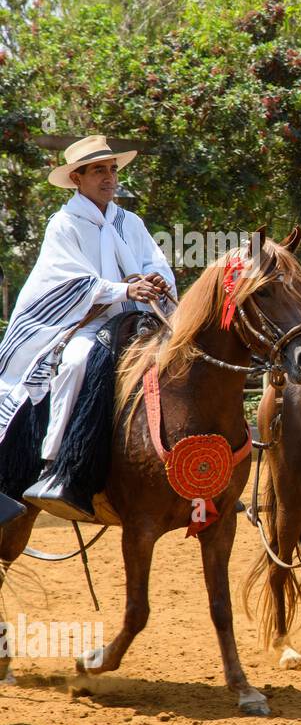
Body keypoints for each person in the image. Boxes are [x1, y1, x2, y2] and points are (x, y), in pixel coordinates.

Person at [0, 135, 174, 522]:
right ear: (77, 178)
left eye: (112, 169)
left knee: (183, 360)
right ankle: (55, 466)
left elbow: (156, 262)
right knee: (78, 362)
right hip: (83, 322)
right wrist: (126, 288)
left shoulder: (130, 222)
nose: (109, 177)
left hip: (136, 320)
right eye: (99, 170)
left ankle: (192, 471)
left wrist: (158, 281)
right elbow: (68, 283)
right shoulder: (63, 225)